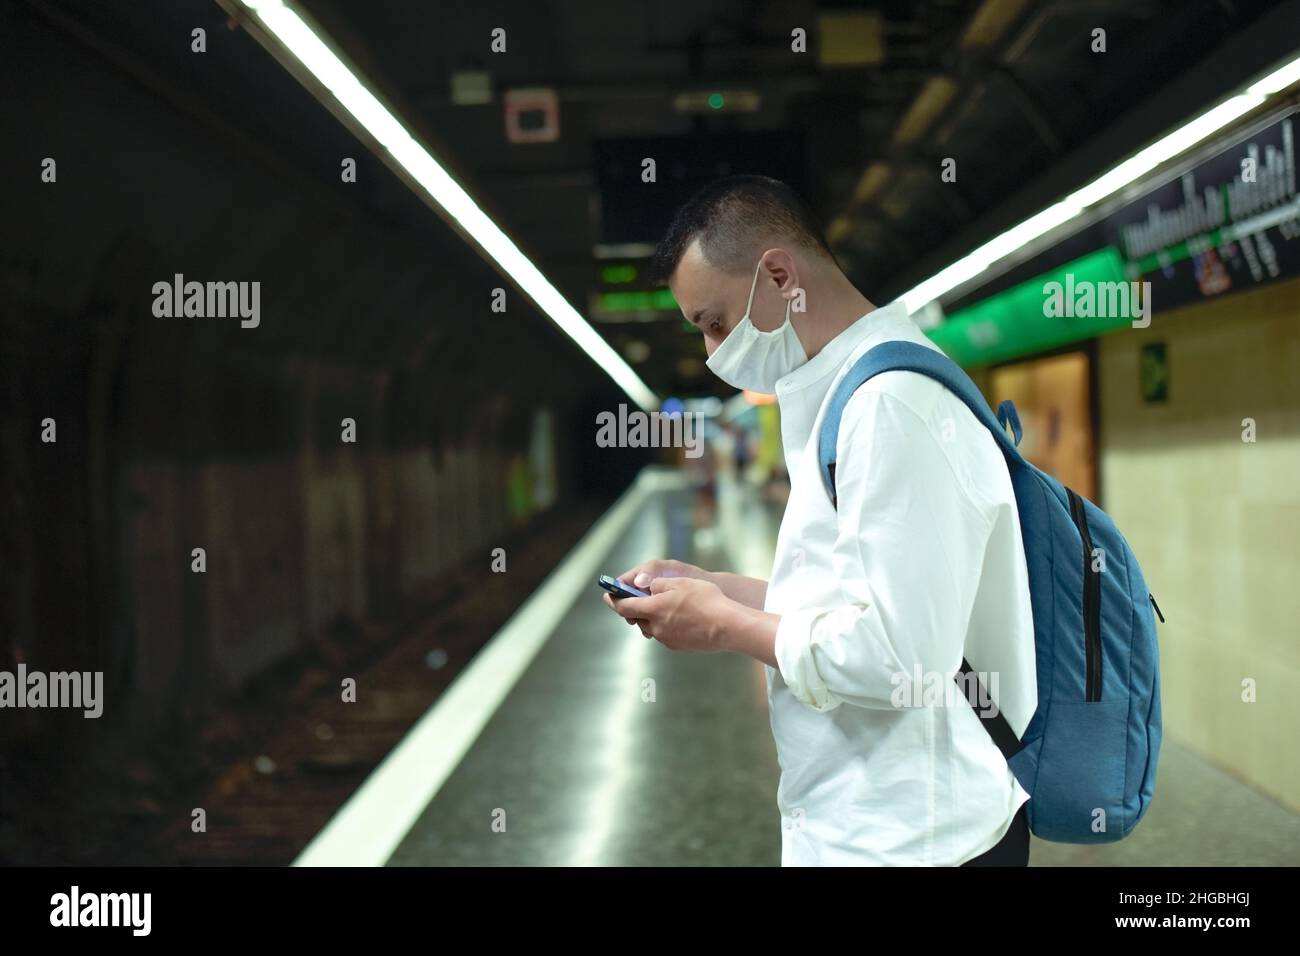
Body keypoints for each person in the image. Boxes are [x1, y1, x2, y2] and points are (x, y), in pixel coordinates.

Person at [602, 175, 1037, 866]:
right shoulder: (848, 392)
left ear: (778, 273)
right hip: (874, 826)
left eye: (714, 321)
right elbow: (845, 605)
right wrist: (713, 586)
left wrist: (721, 624)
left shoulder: (891, 405)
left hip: (922, 839)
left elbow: (902, 658)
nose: (713, 351)